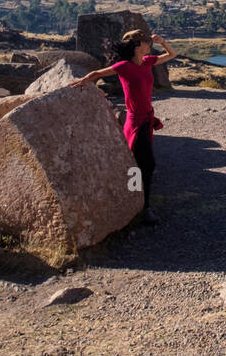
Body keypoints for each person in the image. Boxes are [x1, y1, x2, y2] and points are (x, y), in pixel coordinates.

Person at [74, 30, 176, 225]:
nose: (149, 43)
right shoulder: (124, 66)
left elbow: (172, 55)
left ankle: (136, 202)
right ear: (137, 45)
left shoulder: (147, 62)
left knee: (143, 164)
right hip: (135, 122)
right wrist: (82, 81)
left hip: (146, 120)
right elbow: (97, 73)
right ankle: (140, 205)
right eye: (147, 41)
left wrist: (163, 42)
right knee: (142, 164)